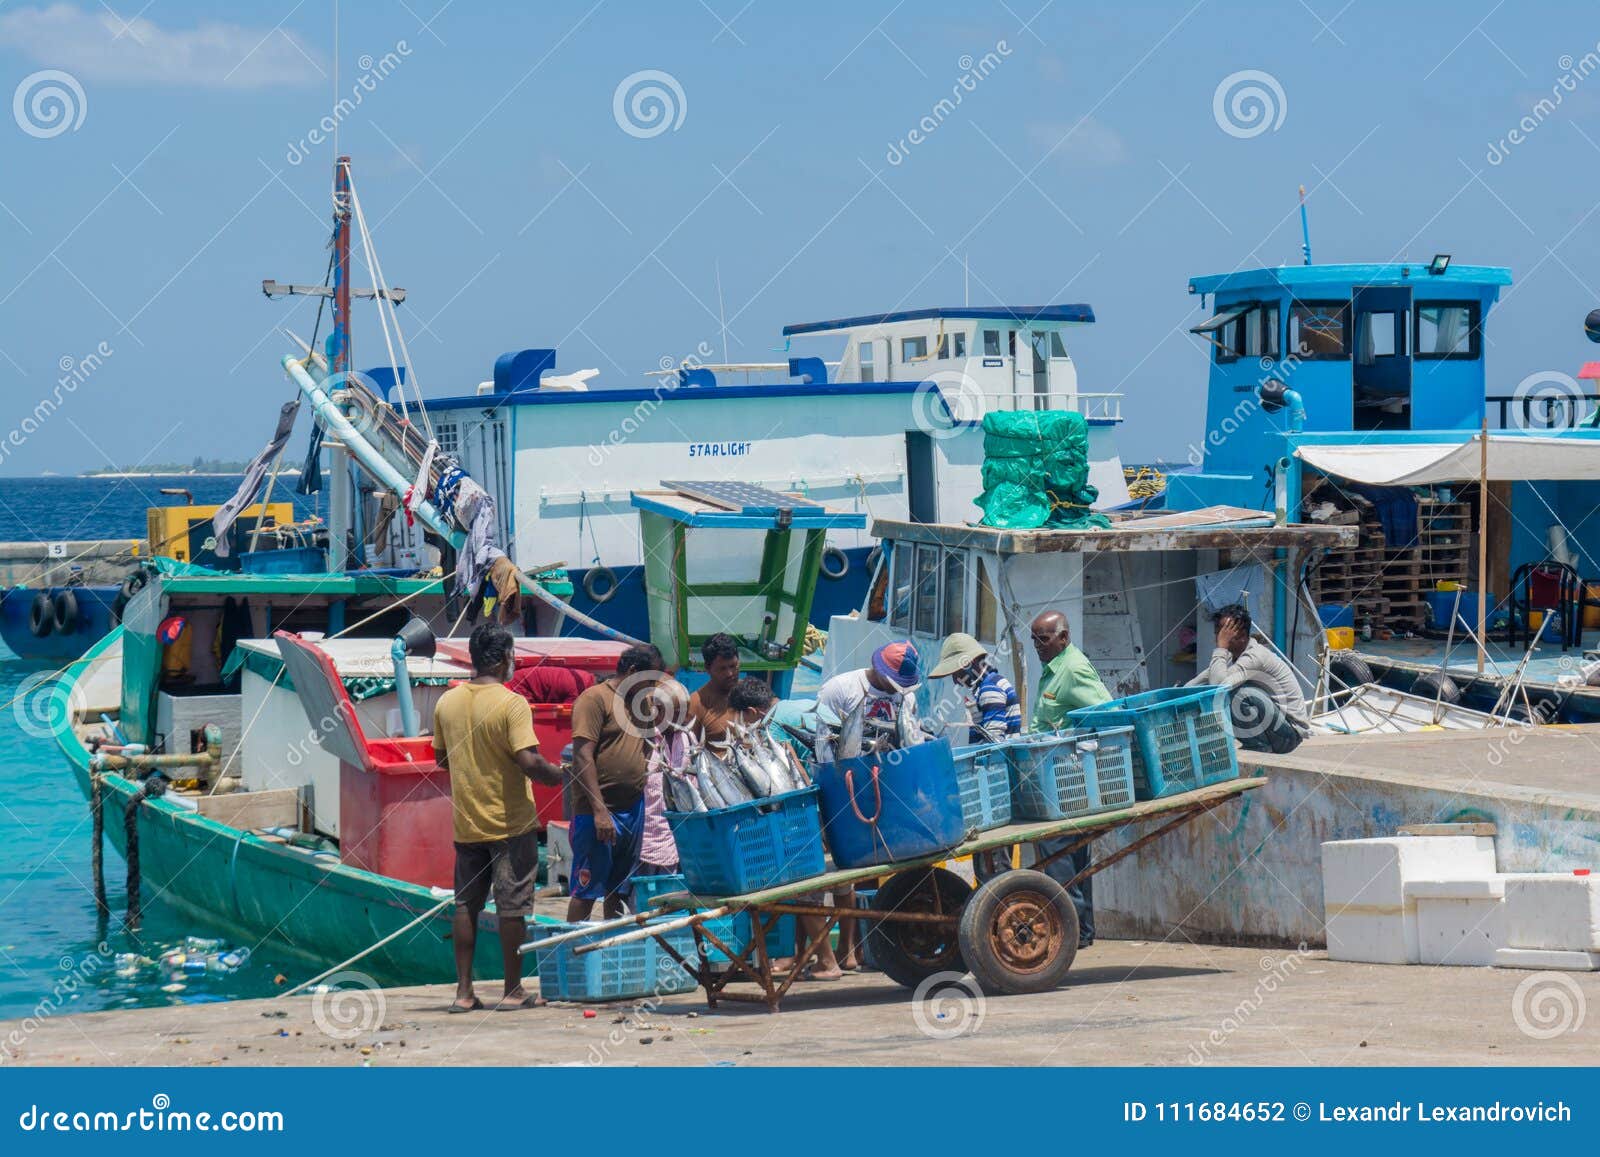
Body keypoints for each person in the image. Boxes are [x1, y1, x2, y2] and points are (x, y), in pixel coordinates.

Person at [431, 622, 564, 1012]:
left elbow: (441, 758)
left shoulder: (447, 702)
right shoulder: (511, 703)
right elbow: (529, 761)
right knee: (513, 908)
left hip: (467, 822)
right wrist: (561, 776)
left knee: (465, 905)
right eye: (513, 656)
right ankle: (512, 990)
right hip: (509, 824)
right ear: (505, 657)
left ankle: (464, 992)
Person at [1027, 610, 1111, 949]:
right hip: (1056, 777)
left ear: (1063, 638)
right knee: (1072, 855)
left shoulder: (1073, 669)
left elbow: (1106, 712)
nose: (1037, 646)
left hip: (1068, 776)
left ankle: (1071, 927)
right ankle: (1082, 930)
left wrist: (1077, 740)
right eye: (1033, 640)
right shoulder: (1052, 669)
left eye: (1043, 639)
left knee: (1058, 851)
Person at [567, 644, 667, 922]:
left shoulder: (642, 702)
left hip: (633, 810)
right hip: (597, 811)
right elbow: (582, 755)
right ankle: (570, 957)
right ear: (633, 672)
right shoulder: (594, 699)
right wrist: (599, 811)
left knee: (619, 892)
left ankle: (614, 950)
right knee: (585, 890)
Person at [1187, 603, 1309, 753]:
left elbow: (1218, 686)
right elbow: (1202, 680)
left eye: (1224, 633)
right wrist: (1176, 695)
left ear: (1242, 635)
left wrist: (1221, 648)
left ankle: (1259, 748)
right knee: (1222, 691)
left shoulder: (1255, 656)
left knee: (1239, 694)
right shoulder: (1233, 656)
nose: (1218, 637)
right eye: (1217, 632)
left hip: (1289, 734)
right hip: (1277, 728)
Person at [813, 641, 922, 762]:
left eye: (905, 685)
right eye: (895, 683)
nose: (899, 689)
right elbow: (820, 739)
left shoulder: (908, 697)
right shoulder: (837, 689)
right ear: (877, 668)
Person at [636, 677, 689, 884]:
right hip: (645, 837)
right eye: (676, 712)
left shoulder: (685, 738)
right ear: (657, 708)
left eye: (684, 711)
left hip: (676, 839)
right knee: (640, 896)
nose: (681, 718)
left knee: (670, 896)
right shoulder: (642, 738)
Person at [928, 632, 1020, 744]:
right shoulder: (987, 685)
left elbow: (995, 745)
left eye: (956, 673)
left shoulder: (990, 689)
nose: (955, 680)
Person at [687, 632, 741, 744]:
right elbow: (689, 749)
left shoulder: (749, 691)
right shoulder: (696, 704)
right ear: (707, 668)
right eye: (722, 669)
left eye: (733, 666)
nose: (730, 673)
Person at [507, 660, 594, 706]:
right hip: (519, 686)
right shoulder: (578, 691)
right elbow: (567, 717)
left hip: (519, 679)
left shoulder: (585, 676)